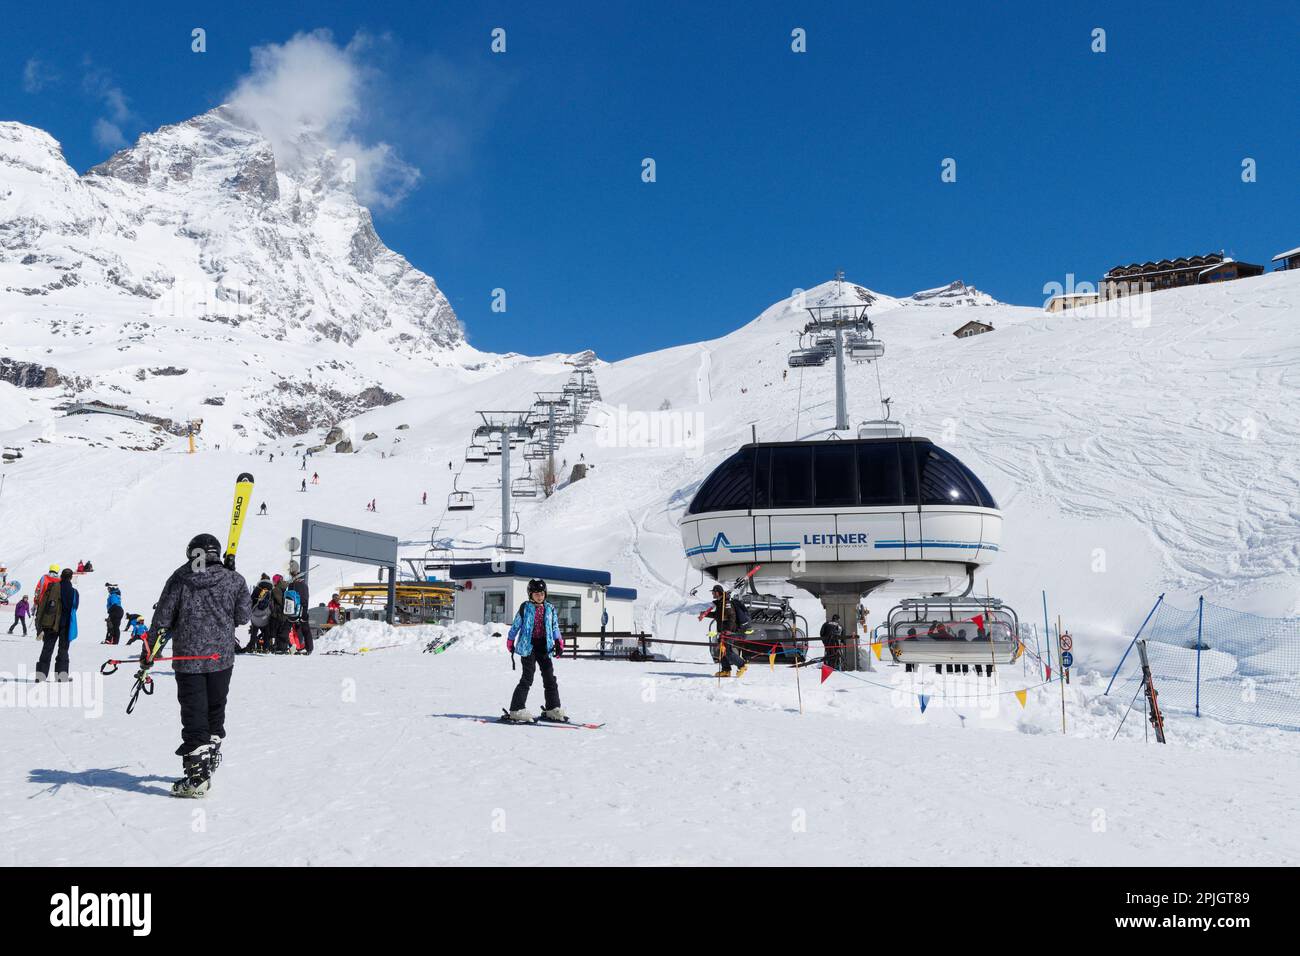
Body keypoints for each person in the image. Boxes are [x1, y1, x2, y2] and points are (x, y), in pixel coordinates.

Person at [150, 532, 251, 797]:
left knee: (195, 713)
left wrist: (149, 652)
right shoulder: (234, 579)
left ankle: (196, 779)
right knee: (215, 709)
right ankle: (209, 758)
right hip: (221, 658)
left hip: (188, 660)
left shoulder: (180, 577)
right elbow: (243, 616)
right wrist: (231, 580)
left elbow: (162, 618)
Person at [503, 579, 565, 722]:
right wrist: (510, 640)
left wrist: (559, 641)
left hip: (544, 646)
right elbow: (516, 625)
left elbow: (554, 626)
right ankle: (516, 709)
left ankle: (552, 708)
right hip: (528, 647)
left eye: (542, 593)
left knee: (550, 678)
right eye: (536, 593)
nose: (539, 596)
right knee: (527, 678)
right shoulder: (525, 607)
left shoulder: (550, 608)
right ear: (530, 594)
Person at [35, 568, 78, 682]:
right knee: (63, 650)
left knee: (47, 649)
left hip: (50, 624)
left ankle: (40, 677)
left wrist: (39, 623)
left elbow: (42, 605)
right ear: (71, 577)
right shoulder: (74, 592)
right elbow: (75, 608)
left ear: (61, 576)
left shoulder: (52, 587)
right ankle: (62, 677)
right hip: (66, 625)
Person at [700, 583, 749, 678]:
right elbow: (718, 616)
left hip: (728, 632)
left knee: (728, 651)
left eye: (713, 592)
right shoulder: (720, 603)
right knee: (721, 651)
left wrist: (728, 631)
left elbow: (732, 617)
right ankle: (726, 670)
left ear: (717, 593)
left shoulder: (726, 603)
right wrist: (706, 614)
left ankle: (742, 665)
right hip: (722, 632)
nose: (712, 594)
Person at [242, 574, 273, 653]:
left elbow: (251, 600)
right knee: (266, 631)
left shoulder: (258, 588)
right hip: (266, 614)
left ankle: (251, 646)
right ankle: (266, 647)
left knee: (254, 631)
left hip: (256, 614)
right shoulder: (271, 589)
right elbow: (272, 603)